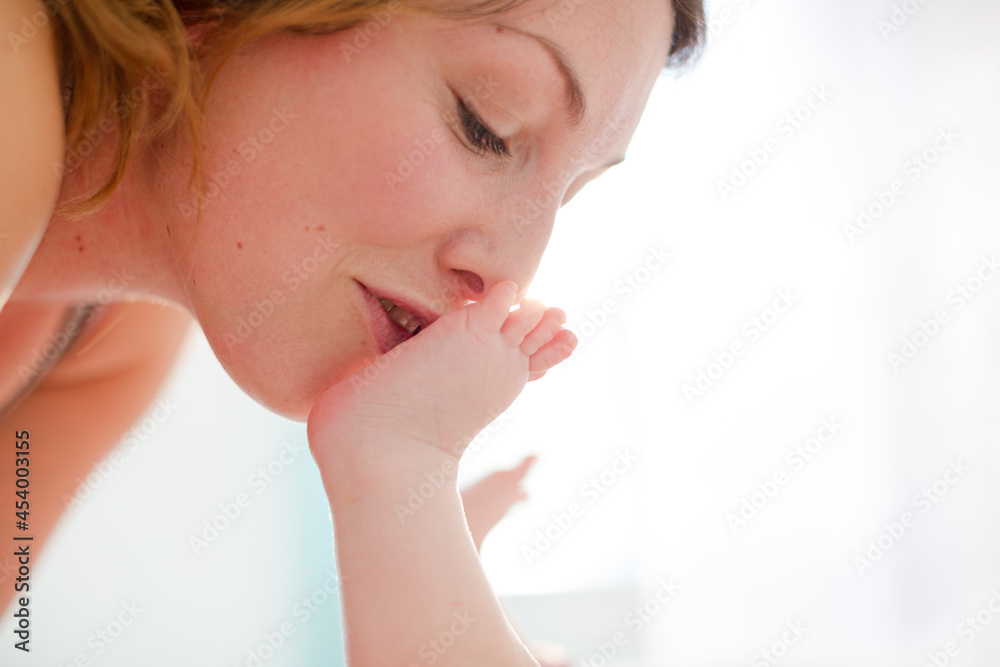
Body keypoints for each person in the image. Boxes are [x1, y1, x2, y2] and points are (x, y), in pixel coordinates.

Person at [1, 0, 705, 663]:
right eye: (484, 124)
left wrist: (415, 533)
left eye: (568, 196)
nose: (507, 279)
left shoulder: (110, 336)